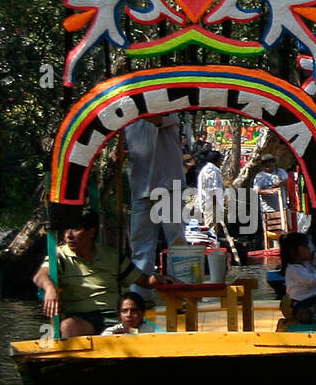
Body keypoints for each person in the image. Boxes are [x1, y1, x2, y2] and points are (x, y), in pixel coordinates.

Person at [33, 210, 173, 337]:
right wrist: (50, 289)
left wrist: (161, 279)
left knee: (143, 322)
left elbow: (144, 281)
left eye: (76, 229)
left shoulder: (111, 256)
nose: (68, 236)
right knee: (67, 327)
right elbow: (40, 276)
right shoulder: (60, 256)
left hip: (116, 316)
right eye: (66, 230)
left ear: (91, 232)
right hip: (81, 318)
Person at [124, 112, 185, 303]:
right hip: (141, 187)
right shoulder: (128, 121)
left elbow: (156, 119)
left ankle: (181, 294)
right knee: (140, 244)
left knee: (176, 241)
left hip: (168, 185)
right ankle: (140, 299)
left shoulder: (167, 111)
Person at [279, 232, 316, 323]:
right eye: (306, 246)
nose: (309, 249)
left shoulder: (306, 264)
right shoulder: (293, 269)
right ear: (293, 251)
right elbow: (310, 280)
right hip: (302, 302)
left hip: (315, 298)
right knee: (304, 316)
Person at [255, 155, 291, 232]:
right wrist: (270, 191)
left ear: (274, 162)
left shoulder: (281, 172)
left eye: (270, 162)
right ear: (262, 165)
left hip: (282, 208)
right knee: (270, 233)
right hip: (267, 210)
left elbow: (289, 182)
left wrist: (281, 183)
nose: (268, 164)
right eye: (265, 163)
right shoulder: (260, 176)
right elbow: (256, 190)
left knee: (285, 231)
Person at [194, 150, 226, 228]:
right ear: (216, 160)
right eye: (221, 159)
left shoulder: (211, 169)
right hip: (211, 204)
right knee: (211, 229)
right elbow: (212, 190)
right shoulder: (211, 171)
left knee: (213, 228)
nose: (222, 161)